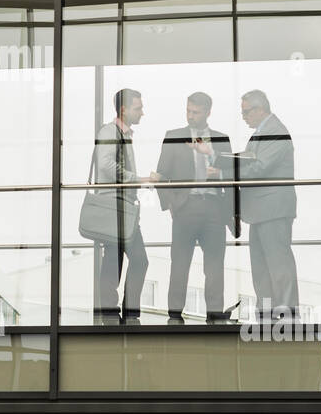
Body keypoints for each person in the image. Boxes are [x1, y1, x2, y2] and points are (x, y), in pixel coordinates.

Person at [154, 92, 234, 324]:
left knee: (215, 267)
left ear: (208, 112)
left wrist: (230, 213)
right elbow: (161, 174)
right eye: (188, 111)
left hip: (214, 209)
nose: (190, 116)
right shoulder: (173, 136)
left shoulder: (221, 140)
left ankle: (215, 316)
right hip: (184, 207)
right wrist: (170, 204)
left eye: (196, 112)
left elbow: (230, 175)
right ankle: (175, 315)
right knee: (179, 264)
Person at [235, 89, 298, 319]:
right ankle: (267, 314)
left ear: (260, 109)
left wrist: (225, 170)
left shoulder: (276, 131)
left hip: (273, 210)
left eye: (246, 112)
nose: (243, 117)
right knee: (261, 269)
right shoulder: (260, 133)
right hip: (260, 211)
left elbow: (259, 167)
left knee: (279, 266)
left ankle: (287, 315)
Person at [93, 88, 152, 324]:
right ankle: (122, 313)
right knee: (134, 259)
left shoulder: (124, 134)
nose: (143, 113)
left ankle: (114, 312)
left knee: (115, 258)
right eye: (139, 108)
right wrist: (135, 179)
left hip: (122, 208)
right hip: (114, 208)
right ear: (124, 109)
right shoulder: (110, 131)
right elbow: (105, 164)